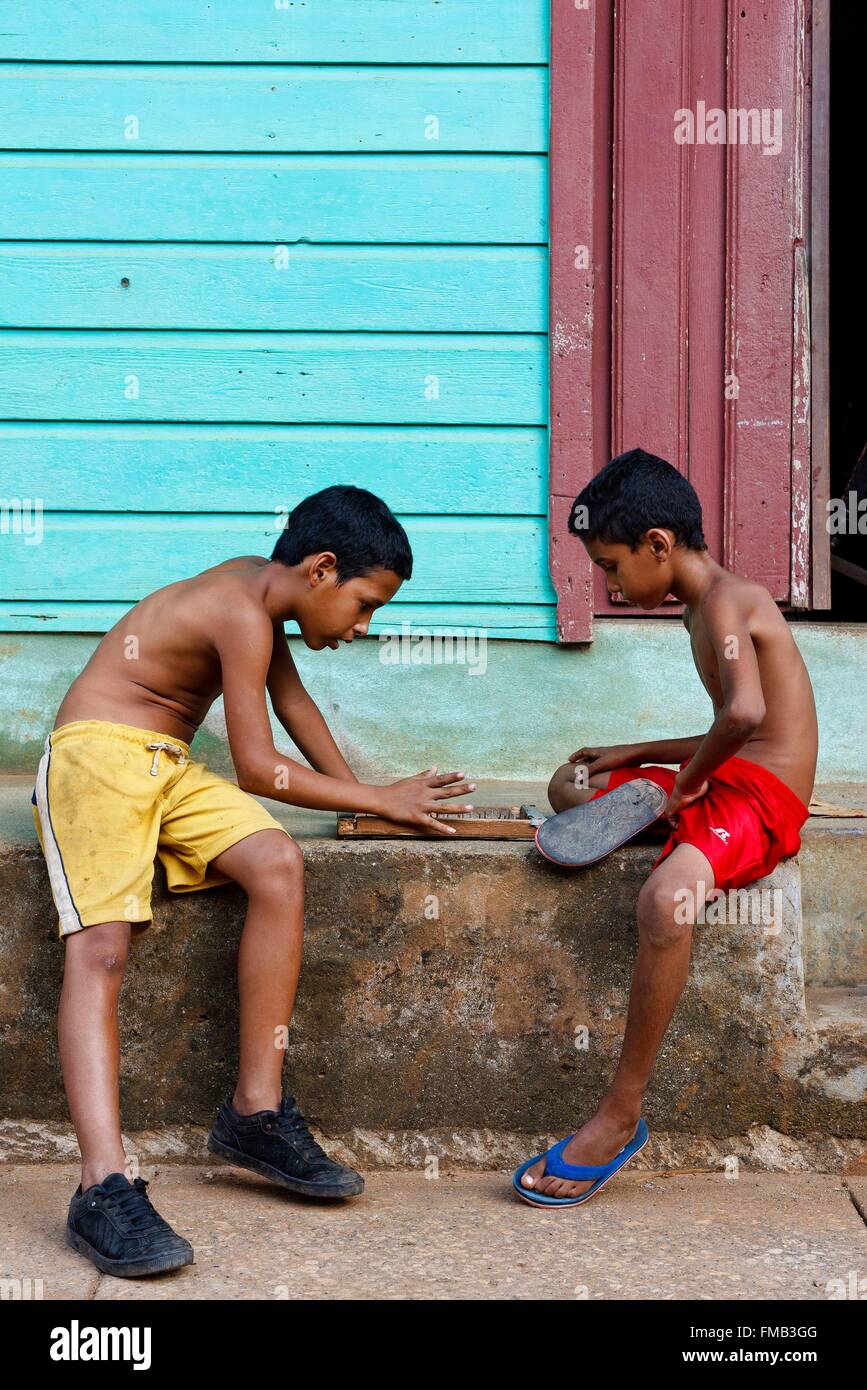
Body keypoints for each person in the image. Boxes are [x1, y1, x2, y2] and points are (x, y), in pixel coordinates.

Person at [32, 484, 475, 1274]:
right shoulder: (239, 609)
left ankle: (254, 1113)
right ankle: (102, 1183)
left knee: (276, 863)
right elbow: (260, 767)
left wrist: (370, 810)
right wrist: (374, 795)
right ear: (322, 569)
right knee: (100, 947)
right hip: (97, 757)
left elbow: (296, 711)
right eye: (365, 604)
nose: (365, 626)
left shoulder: (259, 597)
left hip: (166, 768)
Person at [514, 449, 817, 1208]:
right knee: (571, 784)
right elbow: (736, 721)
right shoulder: (700, 603)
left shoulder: (726, 602)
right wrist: (641, 752)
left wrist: (682, 783)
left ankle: (620, 1116)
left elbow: (746, 718)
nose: (609, 585)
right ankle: (664, 821)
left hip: (760, 799)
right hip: (724, 773)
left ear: (657, 544)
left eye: (611, 567)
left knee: (662, 904)